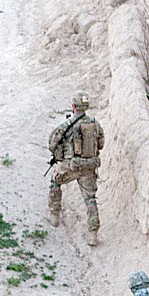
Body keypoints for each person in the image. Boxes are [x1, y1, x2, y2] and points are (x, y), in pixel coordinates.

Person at [46, 92, 102, 244]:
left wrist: (60, 156)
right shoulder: (95, 124)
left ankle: (54, 214)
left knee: (55, 182)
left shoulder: (66, 125)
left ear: (73, 106)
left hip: (70, 166)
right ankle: (93, 234)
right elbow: (101, 143)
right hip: (89, 167)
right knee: (90, 199)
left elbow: (52, 143)